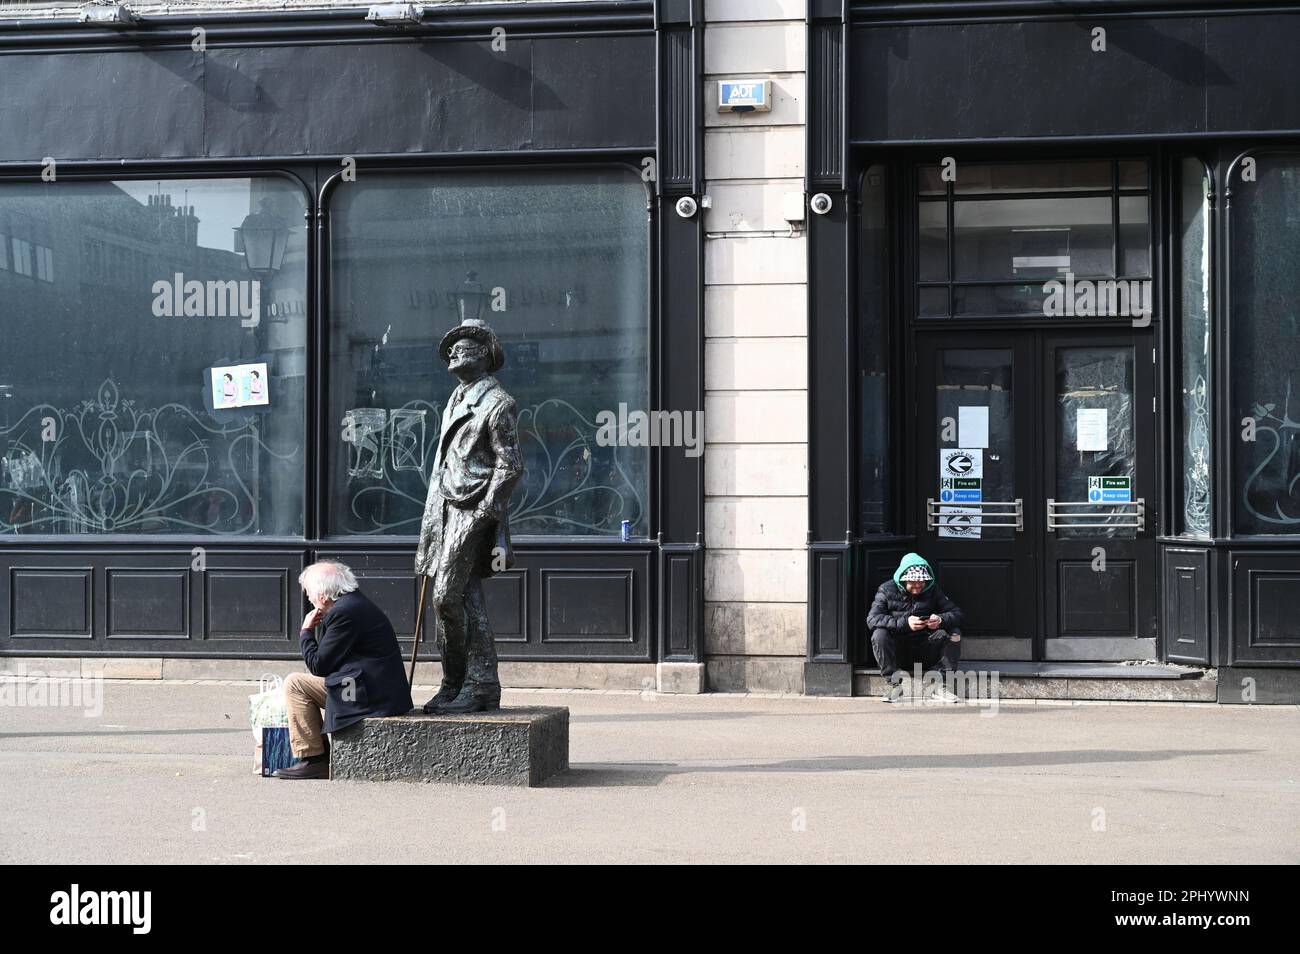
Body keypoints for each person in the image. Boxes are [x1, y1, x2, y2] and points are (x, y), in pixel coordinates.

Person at [414, 316, 524, 714]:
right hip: (442, 507)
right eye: (453, 345)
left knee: (446, 596)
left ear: (485, 355)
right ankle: (462, 683)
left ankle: (474, 683)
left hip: (471, 507)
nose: (455, 350)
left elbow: (510, 465)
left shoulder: (497, 403)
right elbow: (444, 464)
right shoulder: (456, 399)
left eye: (466, 345)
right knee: (463, 597)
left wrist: (484, 513)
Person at [274, 560, 414, 780]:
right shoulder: (353, 604)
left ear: (322, 595)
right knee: (300, 683)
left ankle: (314, 759)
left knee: (295, 683)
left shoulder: (344, 613)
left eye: (309, 592)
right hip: (373, 688)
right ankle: (314, 757)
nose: (308, 598)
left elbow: (319, 665)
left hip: (371, 696)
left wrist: (306, 632)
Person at [868, 553, 964, 695]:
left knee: (954, 633)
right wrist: (905, 623)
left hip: (926, 648)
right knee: (879, 634)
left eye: (921, 581)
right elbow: (872, 619)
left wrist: (940, 619)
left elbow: (957, 614)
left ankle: (942, 685)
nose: (918, 586)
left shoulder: (932, 589)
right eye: (913, 582)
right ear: (902, 579)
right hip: (898, 652)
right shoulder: (886, 590)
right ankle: (894, 685)